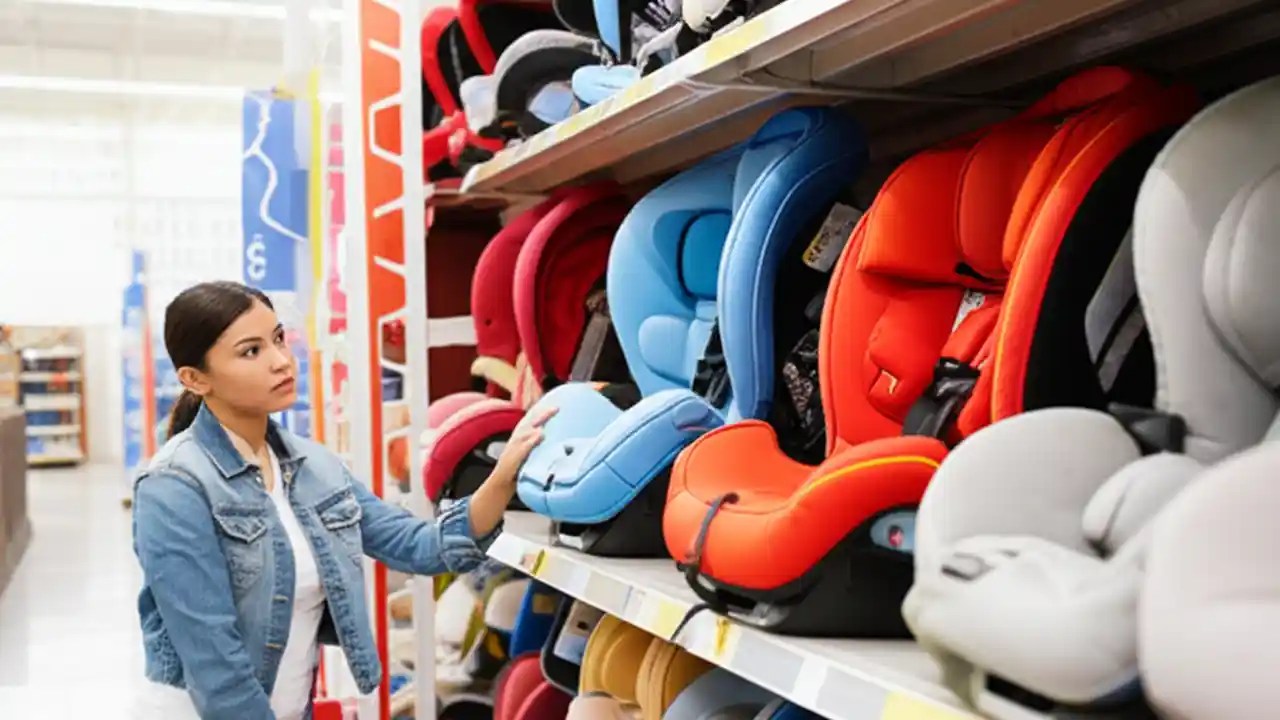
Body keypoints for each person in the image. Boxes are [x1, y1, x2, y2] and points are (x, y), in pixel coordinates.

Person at [131, 281, 552, 719]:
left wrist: (503, 478)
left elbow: (421, 547)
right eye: (251, 351)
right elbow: (213, 659)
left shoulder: (312, 466)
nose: (280, 361)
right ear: (195, 379)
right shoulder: (173, 487)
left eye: (278, 339)